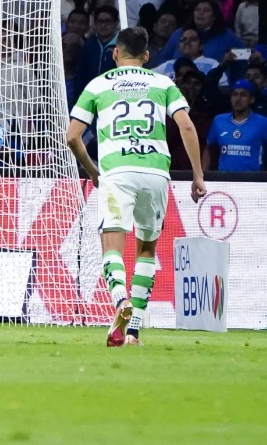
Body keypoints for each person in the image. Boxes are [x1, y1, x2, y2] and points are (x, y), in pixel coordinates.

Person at [67, 26, 207, 347]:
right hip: (156, 172)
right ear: (146, 56)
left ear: (115, 52)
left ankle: (120, 302)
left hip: (117, 171)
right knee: (146, 249)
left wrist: (92, 170)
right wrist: (198, 175)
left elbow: (73, 136)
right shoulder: (163, 82)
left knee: (112, 247)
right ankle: (133, 333)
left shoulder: (97, 85)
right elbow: (185, 124)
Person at [203, 80, 267, 172]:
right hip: (224, 181)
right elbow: (208, 148)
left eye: (243, 94)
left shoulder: (263, 122)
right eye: (235, 94)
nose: (238, 98)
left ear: (251, 99)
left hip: (253, 181)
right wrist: (204, 173)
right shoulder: (219, 120)